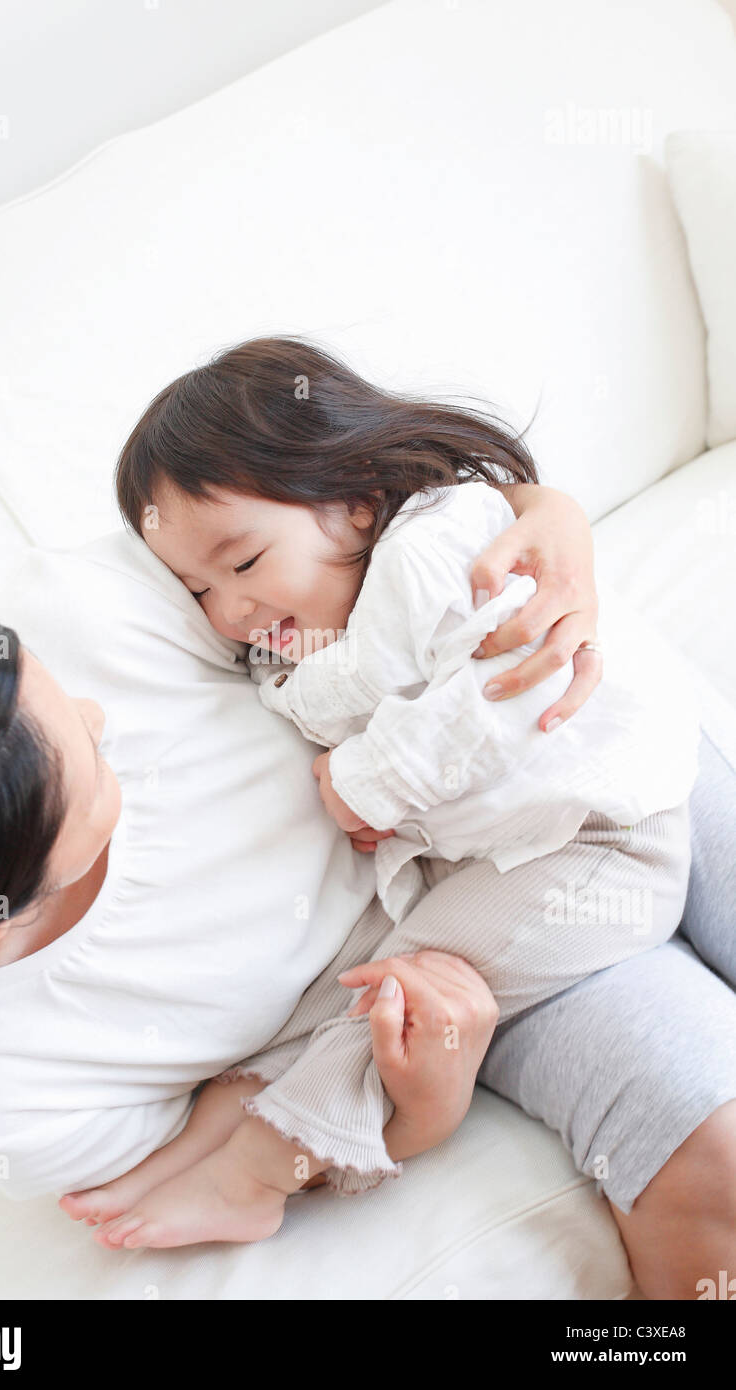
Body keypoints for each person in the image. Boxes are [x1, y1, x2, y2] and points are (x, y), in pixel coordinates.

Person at [0, 455, 732, 1298]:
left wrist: (548, 517)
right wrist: (429, 1098)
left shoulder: (75, 612)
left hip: (550, 749)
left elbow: (339, 502)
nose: (98, 716)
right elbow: (271, 1139)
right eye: (91, 762)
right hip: (468, 963)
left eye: (54, 689)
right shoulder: (1, 1090)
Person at [86, 337, 696, 1247]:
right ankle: (222, 1120)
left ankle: (266, 1166)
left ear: (359, 500)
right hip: (507, 850)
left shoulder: (435, 551)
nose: (230, 611)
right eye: (197, 589)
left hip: (605, 844)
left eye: (245, 565)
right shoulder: (307, 639)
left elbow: (507, 690)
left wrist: (367, 782)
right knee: (340, 976)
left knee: (402, 983)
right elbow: (336, 702)